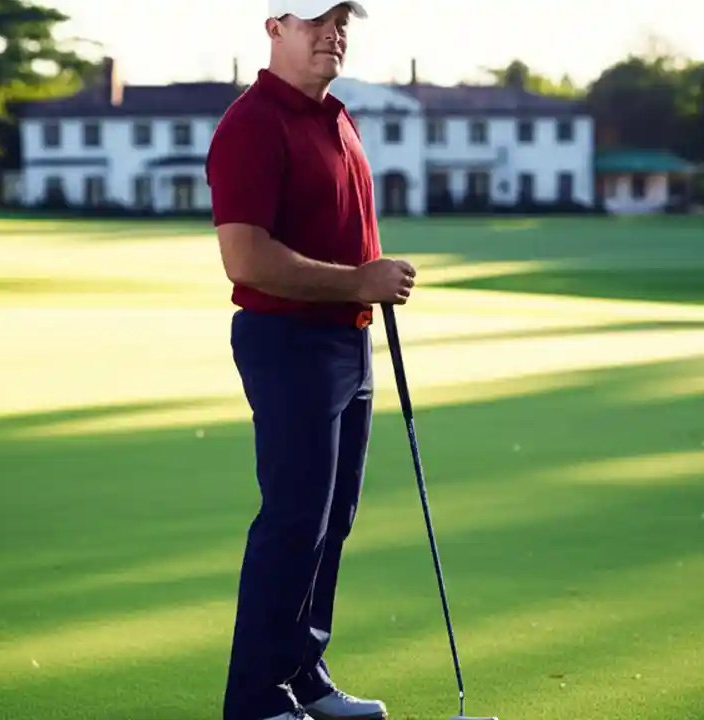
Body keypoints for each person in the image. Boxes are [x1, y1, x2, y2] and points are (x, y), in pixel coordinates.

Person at [205, 1, 417, 719]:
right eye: (316, 21)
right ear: (274, 28)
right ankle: (257, 700)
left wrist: (364, 290)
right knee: (294, 521)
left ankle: (303, 675)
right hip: (289, 342)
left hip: (345, 342)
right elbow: (247, 257)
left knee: (333, 520)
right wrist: (360, 280)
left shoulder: (336, 117)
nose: (335, 33)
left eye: (342, 21)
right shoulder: (251, 125)